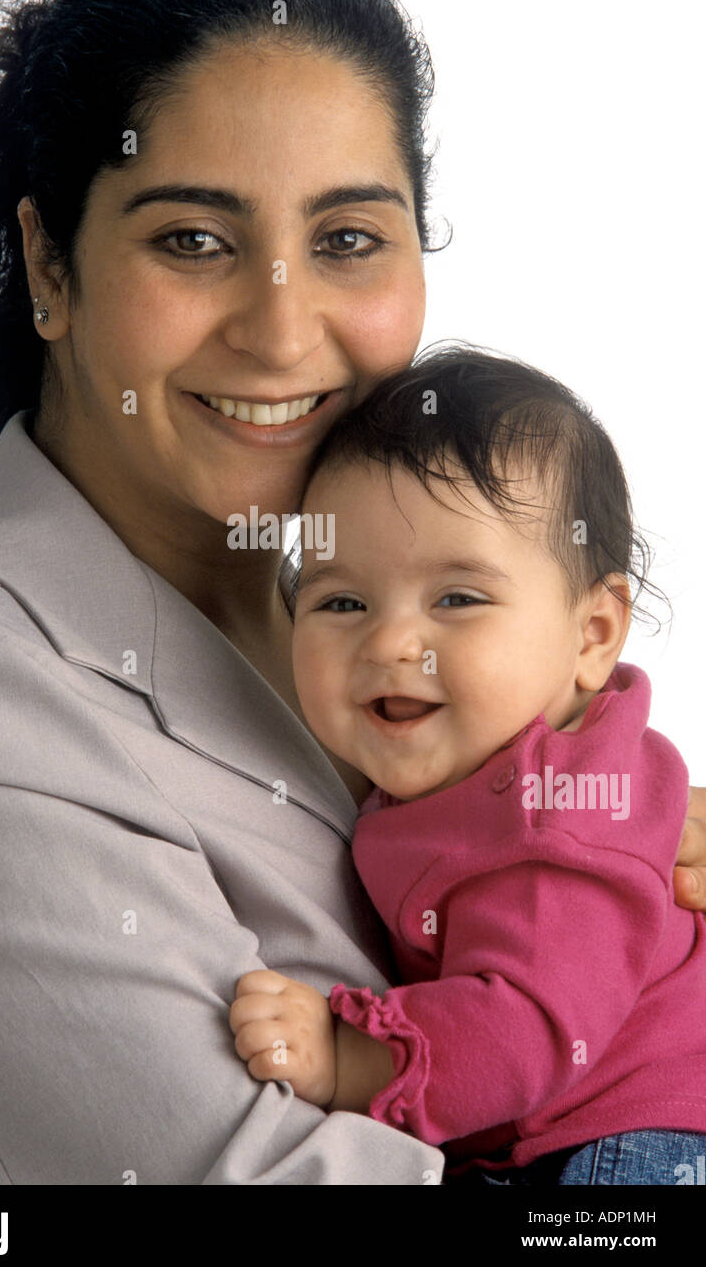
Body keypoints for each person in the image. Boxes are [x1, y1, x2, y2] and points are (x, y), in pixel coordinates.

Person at [0, 0, 704, 1185]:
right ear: (49, 264)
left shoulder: (386, 610)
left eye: (348, 239)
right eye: (193, 239)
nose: (282, 325)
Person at [229, 346, 706, 1185]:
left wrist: (347, 1058)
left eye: (456, 598)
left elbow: (523, 1031)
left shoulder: (548, 820)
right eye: (341, 601)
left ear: (591, 634)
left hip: (634, 1149)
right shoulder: (487, 766)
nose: (389, 642)